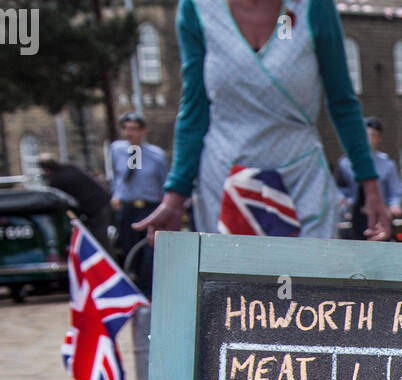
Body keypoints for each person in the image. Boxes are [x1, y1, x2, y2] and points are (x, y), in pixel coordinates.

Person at [135, 0, 389, 242]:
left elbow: (342, 101)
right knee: (230, 285)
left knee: (304, 283)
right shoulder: (198, 8)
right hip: (223, 185)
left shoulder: (313, 6)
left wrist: (370, 187)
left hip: (302, 181)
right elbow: (194, 107)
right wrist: (175, 196)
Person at [108, 113, 169, 267]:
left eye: (134, 129)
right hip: (128, 207)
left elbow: (165, 181)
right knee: (128, 249)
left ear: (142, 131)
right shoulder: (116, 150)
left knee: (150, 250)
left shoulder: (157, 155)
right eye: (126, 128)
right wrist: (116, 194)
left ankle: (147, 285)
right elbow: (117, 176)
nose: (129, 133)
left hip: (150, 206)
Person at [336, 116, 402, 240]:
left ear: (379, 138)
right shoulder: (344, 162)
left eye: (372, 135)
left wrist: (394, 205)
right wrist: (342, 199)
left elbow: (395, 191)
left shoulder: (387, 164)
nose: (367, 138)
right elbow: (341, 189)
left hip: (381, 214)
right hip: (354, 215)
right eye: (364, 134)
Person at [38, 155, 112, 246]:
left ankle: (107, 260)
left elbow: (64, 202)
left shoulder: (55, 180)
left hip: (95, 209)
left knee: (100, 241)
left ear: (46, 169)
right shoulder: (70, 167)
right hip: (104, 200)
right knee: (102, 239)